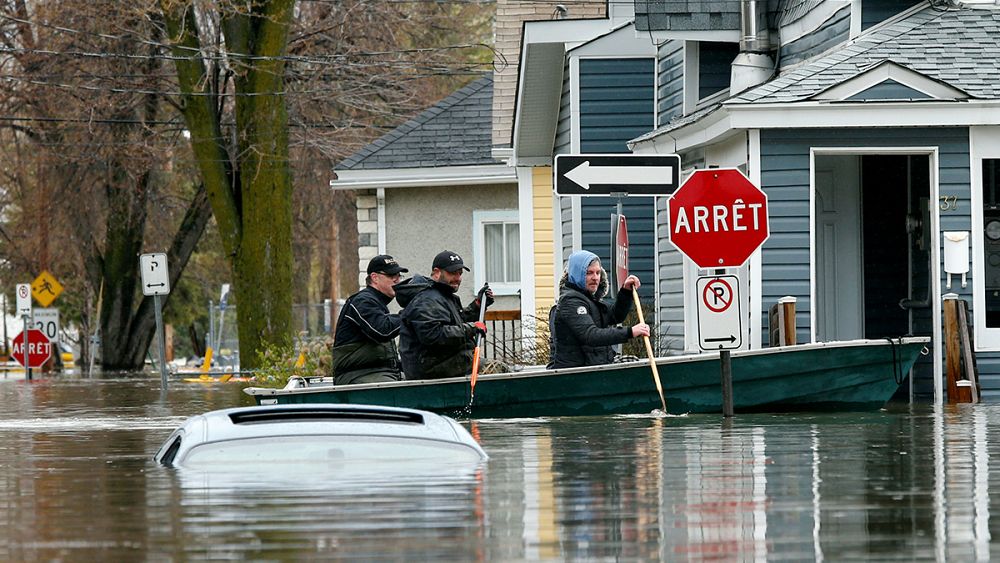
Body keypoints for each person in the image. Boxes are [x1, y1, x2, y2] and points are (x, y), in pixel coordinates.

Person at [396, 250, 493, 380]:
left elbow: (456, 323)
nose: (458, 278)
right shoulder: (426, 300)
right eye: (453, 273)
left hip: (444, 363)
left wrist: (478, 305)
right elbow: (434, 335)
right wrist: (472, 328)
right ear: (436, 272)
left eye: (460, 273)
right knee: (496, 369)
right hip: (431, 370)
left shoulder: (442, 296)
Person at [548, 250, 649, 369]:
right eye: (589, 273)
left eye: (598, 272)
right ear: (576, 274)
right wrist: (630, 332)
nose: (595, 278)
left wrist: (626, 292)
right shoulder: (570, 301)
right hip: (574, 375)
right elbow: (590, 335)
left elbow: (615, 316)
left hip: (592, 369)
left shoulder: (590, 300)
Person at [330, 254, 409, 385]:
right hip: (357, 375)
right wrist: (411, 313)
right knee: (399, 392)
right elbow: (382, 330)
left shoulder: (377, 303)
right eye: (391, 276)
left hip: (377, 373)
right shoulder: (363, 301)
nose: (397, 280)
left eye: (398, 276)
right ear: (374, 278)